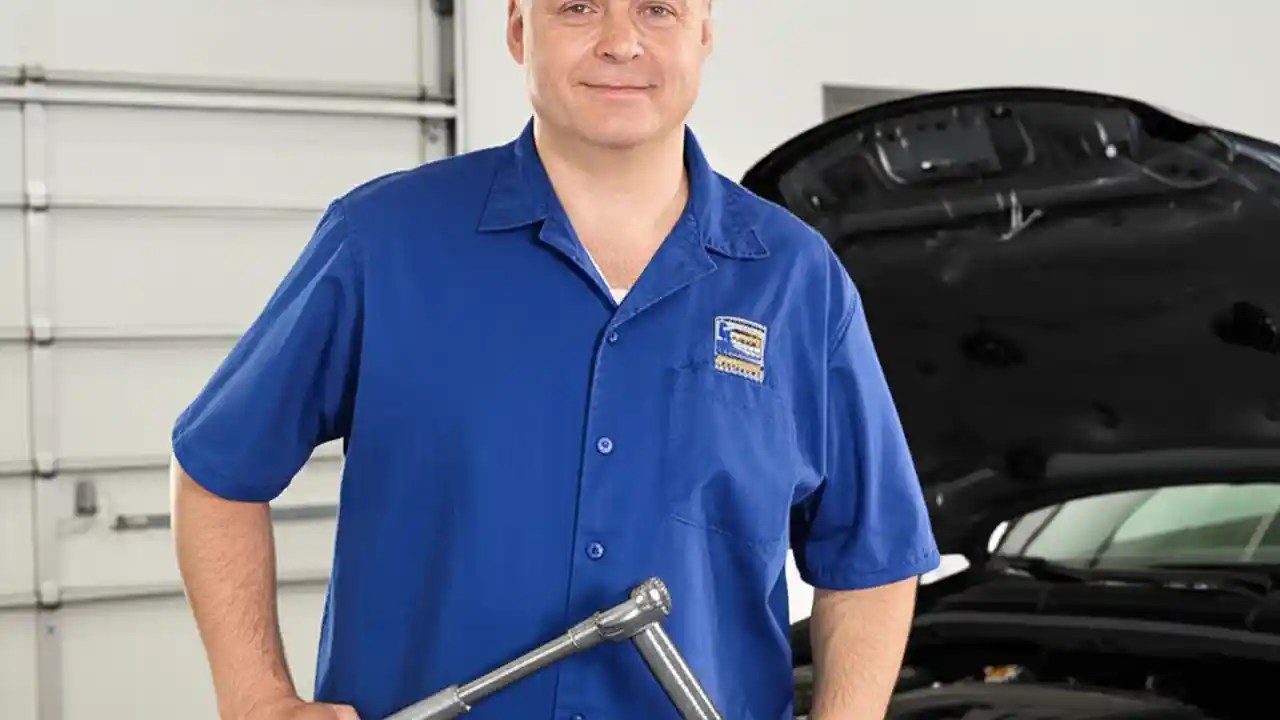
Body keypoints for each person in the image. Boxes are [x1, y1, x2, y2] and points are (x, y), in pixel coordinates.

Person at [168, 0, 941, 718]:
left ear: (704, 33)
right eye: (576, 5)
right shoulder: (382, 242)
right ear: (516, 28)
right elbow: (214, 472)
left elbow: (872, 556)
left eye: (658, 9)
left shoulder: (797, 281)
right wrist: (257, 698)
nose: (620, 40)